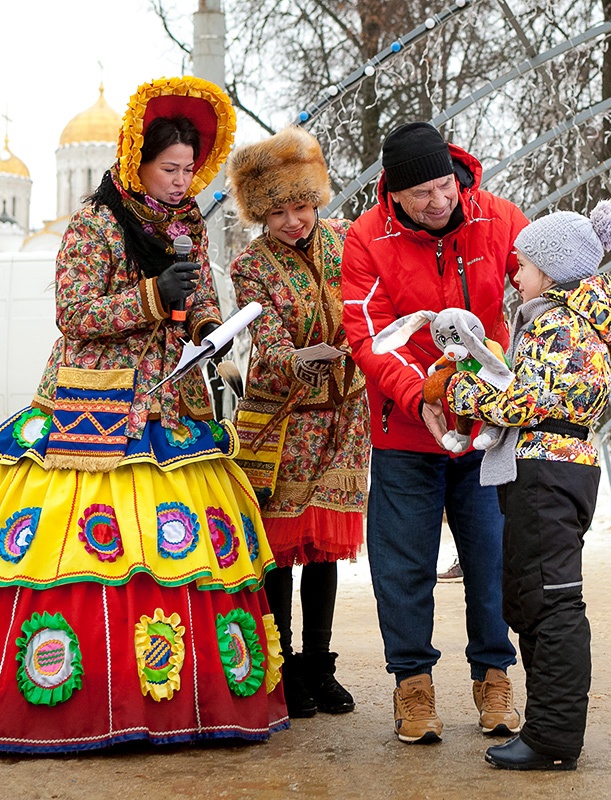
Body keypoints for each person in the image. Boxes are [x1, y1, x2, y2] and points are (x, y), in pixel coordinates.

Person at [0, 77, 288, 752]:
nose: (181, 181)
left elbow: (200, 299)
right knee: (90, 557)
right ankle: (86, 701)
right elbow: (74, 316)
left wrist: (207, 326)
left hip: (176, 408)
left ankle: (176, 703)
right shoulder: (94, 224)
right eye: (170, 169)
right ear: (137, 161)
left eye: (190, 170)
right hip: (96, 414)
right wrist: (149, 295)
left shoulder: (188, 221)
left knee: (177, 559)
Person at [341, 121, 611, 745]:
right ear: (392, 194)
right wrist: (422, 390)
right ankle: (412, 685)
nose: (439, 200)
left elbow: (563, 275)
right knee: (403, 565)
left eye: (444, 184)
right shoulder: (367, 240)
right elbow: (368, 332)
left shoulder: (498, 217)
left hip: (493, 432)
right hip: (407, 434)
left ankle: (494, 677)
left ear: (457, 172)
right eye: (421, 193)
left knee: (496, 559)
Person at [447, 200, 611, 771]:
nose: (514, 273)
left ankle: (552, 736)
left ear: (549, 270)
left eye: (522, 264)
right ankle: (548, 728)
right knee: (536, 596)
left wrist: (460, 393)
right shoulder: (586, 320)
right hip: (557, 466)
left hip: (547, 468)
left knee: (551, 603)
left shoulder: (556, 323)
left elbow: (529, 400)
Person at [227, 126, 369, 718]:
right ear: (261, 213)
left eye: (302, 205)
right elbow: (265, 338)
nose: (294, 221)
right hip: (285, 421)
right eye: (279, 211)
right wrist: (297, 359)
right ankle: (283, 668)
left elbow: (369, 304)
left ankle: (319, 663)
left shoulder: (345, 241)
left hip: (344, 418)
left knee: (325, 546)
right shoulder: (250, 267)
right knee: (283, 548)